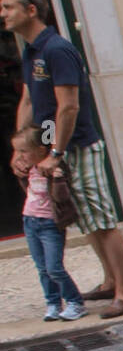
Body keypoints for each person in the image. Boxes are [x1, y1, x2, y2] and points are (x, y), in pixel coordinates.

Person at [0, 0, 123, 318]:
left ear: (31, 10)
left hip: (76, 147)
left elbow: (69, 107)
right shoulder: (32, 51)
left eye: (8, 7)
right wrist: (22, 148)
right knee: (86, 220)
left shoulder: (57, 49)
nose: (2, 14)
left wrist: (57, 153)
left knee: (102, 220)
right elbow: (30, 99)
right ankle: (108, 281)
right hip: (51, 149)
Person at [12, 124, 82, 320]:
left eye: (24, 151)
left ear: (41, 150)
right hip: (30, 221)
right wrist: (21, 175)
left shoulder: (55, 169)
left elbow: (62, 198)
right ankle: (53, 303)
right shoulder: (31, 169)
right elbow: (29, 190)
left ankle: (75, 302)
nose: (20, 156)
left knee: (54, 268)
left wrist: (58, 180)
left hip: (49, 224)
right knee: (42, 268)